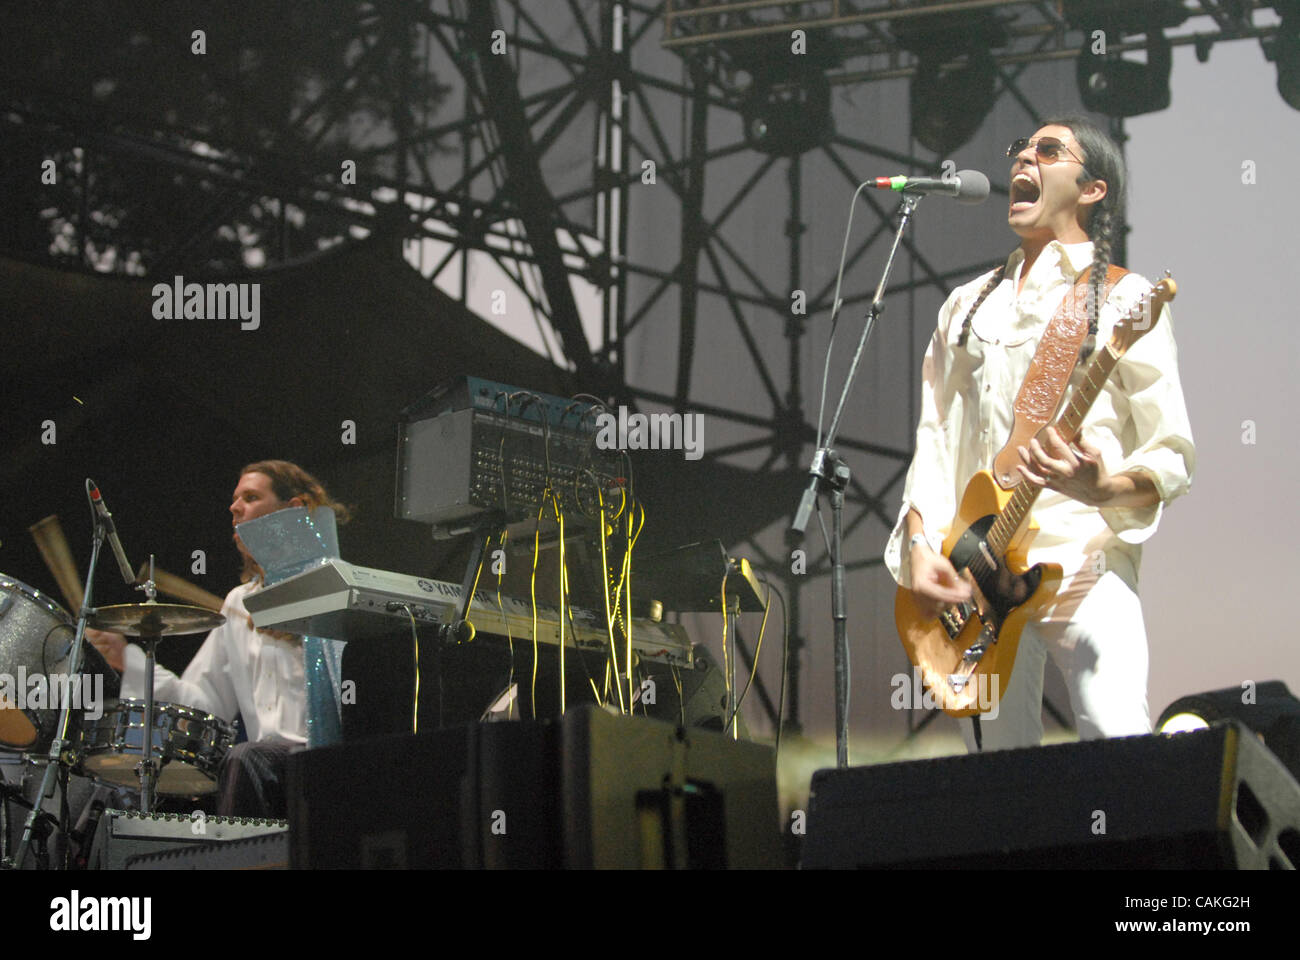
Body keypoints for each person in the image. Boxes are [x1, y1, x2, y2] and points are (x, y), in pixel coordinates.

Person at [884, 116, 1195, 751]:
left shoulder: (1122, 297)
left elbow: (1171, 451)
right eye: (1019, 149)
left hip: (1085, 560)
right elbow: (937, 437)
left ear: (1092, 190)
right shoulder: (966, 304)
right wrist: (920, 542)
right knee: (1003, 787)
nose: (1024, 158)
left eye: (1048, 151)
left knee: (1118, 742)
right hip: (982, 579)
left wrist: (1103, 484)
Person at [88, 460, 350, 817]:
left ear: (295, 509)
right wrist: (127, 657)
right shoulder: (239, 602)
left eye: (251, 496)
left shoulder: (339, 586)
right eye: (234, 500)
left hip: (329, 759)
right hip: (265, 769)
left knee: (244, 757)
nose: (235, 507)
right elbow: (204, 705)